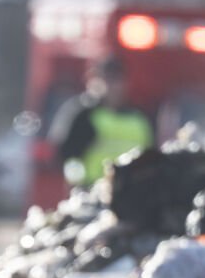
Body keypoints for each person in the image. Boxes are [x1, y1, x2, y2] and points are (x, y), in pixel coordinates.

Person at [49, 55, 153, 191]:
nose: (112, 87)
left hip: (131, 192)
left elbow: (150, 157)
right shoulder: (83, 115)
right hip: (92, 190)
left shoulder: (139, 119)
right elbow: (65, 155)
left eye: (116, 80)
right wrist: (77, 186)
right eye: (107, 80)